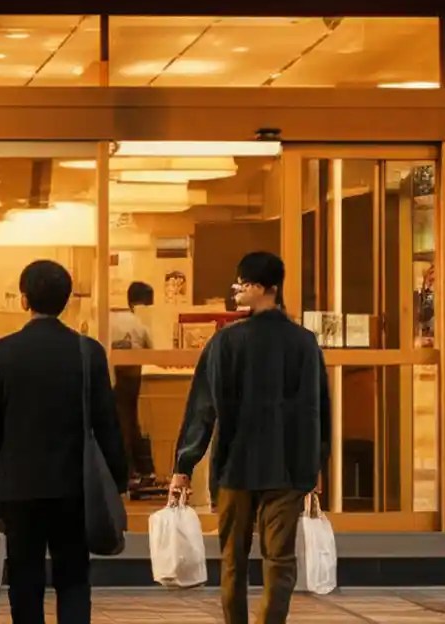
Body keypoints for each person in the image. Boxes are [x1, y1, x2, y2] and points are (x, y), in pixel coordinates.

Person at [0, 260, 128, 624]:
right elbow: (108, 423)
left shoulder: (2, 352)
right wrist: (118, 480)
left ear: (24, 299)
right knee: (73, 577)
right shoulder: (89, 352)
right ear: (66, 300)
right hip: (74, 486)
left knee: (25, 578)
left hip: (18, 487)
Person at [170, 252, 331, 624]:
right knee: (280, 560)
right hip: (287, 468)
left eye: (241, 283)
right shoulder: (304, 343)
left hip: (235, 467)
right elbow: (317, 410)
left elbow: (202, 408)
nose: (235, 289)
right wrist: (314, 465)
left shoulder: (226, 343)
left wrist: (184, 465)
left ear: (264, 288)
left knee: (233, 560)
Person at [109, 281, 157, 491]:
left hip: (113, 376)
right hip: (132, 376)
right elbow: (153, 350)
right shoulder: (140, 322)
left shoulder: (110, 319)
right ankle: (136, 471)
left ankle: (133, 471)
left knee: (124, 421)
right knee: (128, 422)